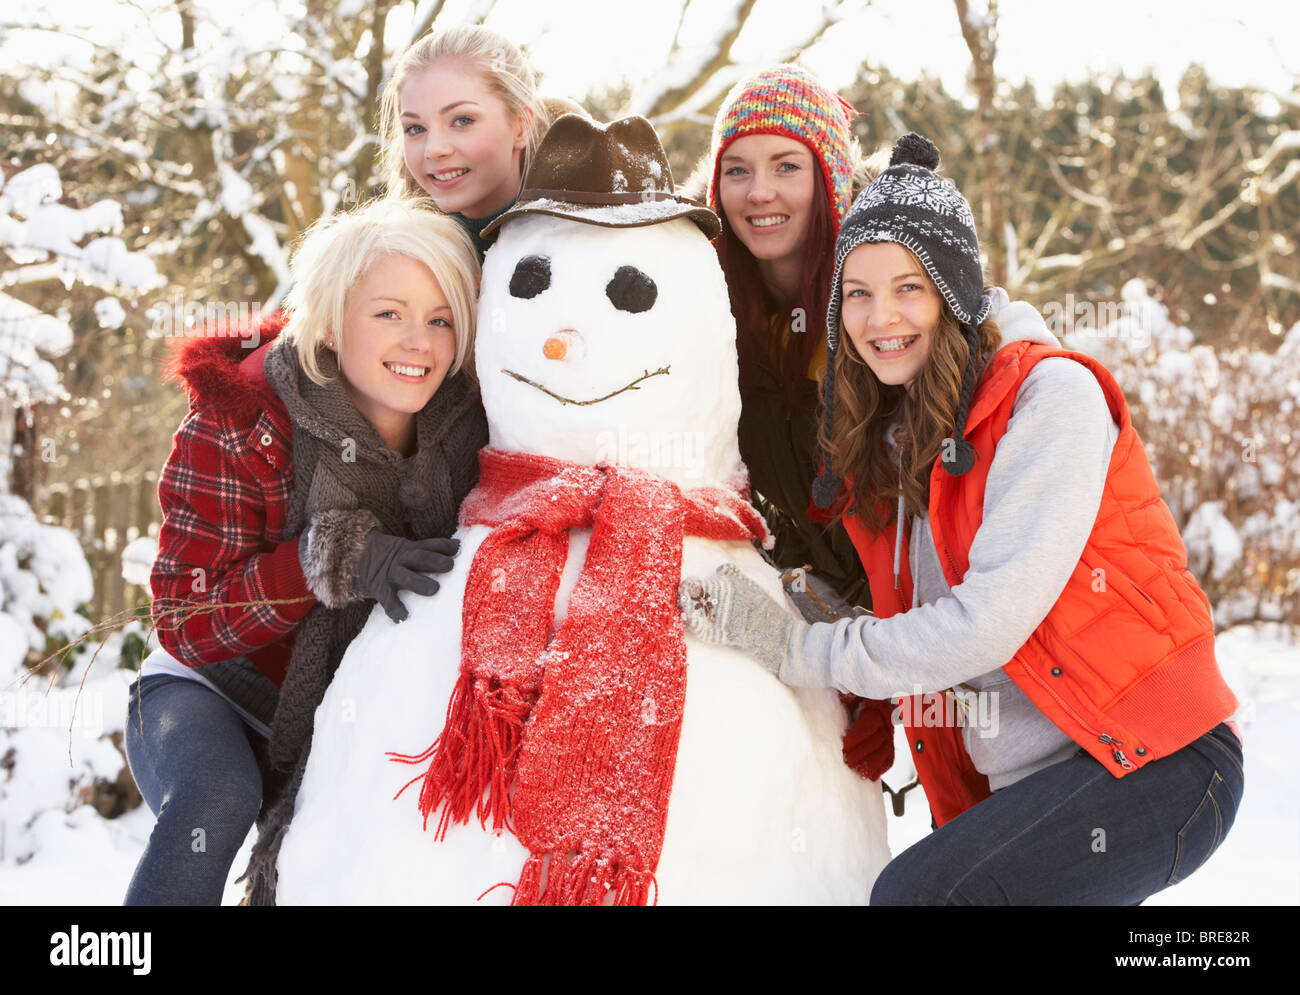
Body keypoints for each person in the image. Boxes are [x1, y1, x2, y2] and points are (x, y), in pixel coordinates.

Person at [678, 133, 1243, 906]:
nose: (881, 317)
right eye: (858, 293)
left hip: (1159, 759)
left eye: (909, 287)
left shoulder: (1050, 402)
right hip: (1038, 783)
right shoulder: (900, 439)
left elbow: (983, 624)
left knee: (918, 897)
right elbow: (906, 624)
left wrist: (799, 649)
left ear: (956, 289)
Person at [125, 199, 487, 904]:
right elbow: (185, 617)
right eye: (388, 313)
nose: (419, 340)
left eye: (441, 318)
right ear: (329, 319)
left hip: (356, 701)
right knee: (218, 796)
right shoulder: (245, 420)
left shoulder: (466, 429)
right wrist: (328, 560)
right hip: (215, 691)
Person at [702, 64, 872, 612]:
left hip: (920, 616)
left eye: (787, 166)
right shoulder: (715, 314)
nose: (759, 193)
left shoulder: (879, 309)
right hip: (816, 609)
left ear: (829, 178)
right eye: (737, 170)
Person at [378, 23, 582, 260]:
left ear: (520, 126)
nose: (434, 150)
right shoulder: (397, 261)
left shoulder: (595, 240)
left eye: (462, 120)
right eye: (415, 128)